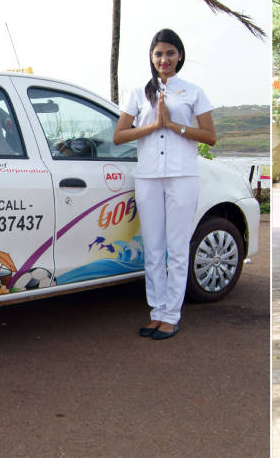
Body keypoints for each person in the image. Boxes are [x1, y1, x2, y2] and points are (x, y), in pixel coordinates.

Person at [113, 28, 216, 340]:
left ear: (179, 55)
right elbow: (119, 136)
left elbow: (210, 137)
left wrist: (172, 126)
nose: (164, 59)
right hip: (147, 177)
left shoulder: (193, 91)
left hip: (182, 175)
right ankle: (156, 311)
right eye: (158, 53)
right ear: (152, 57)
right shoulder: (138, 93)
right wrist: (153, 126)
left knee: (177, 247)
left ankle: (172, 315)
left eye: (170, 53)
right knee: (154, 249)